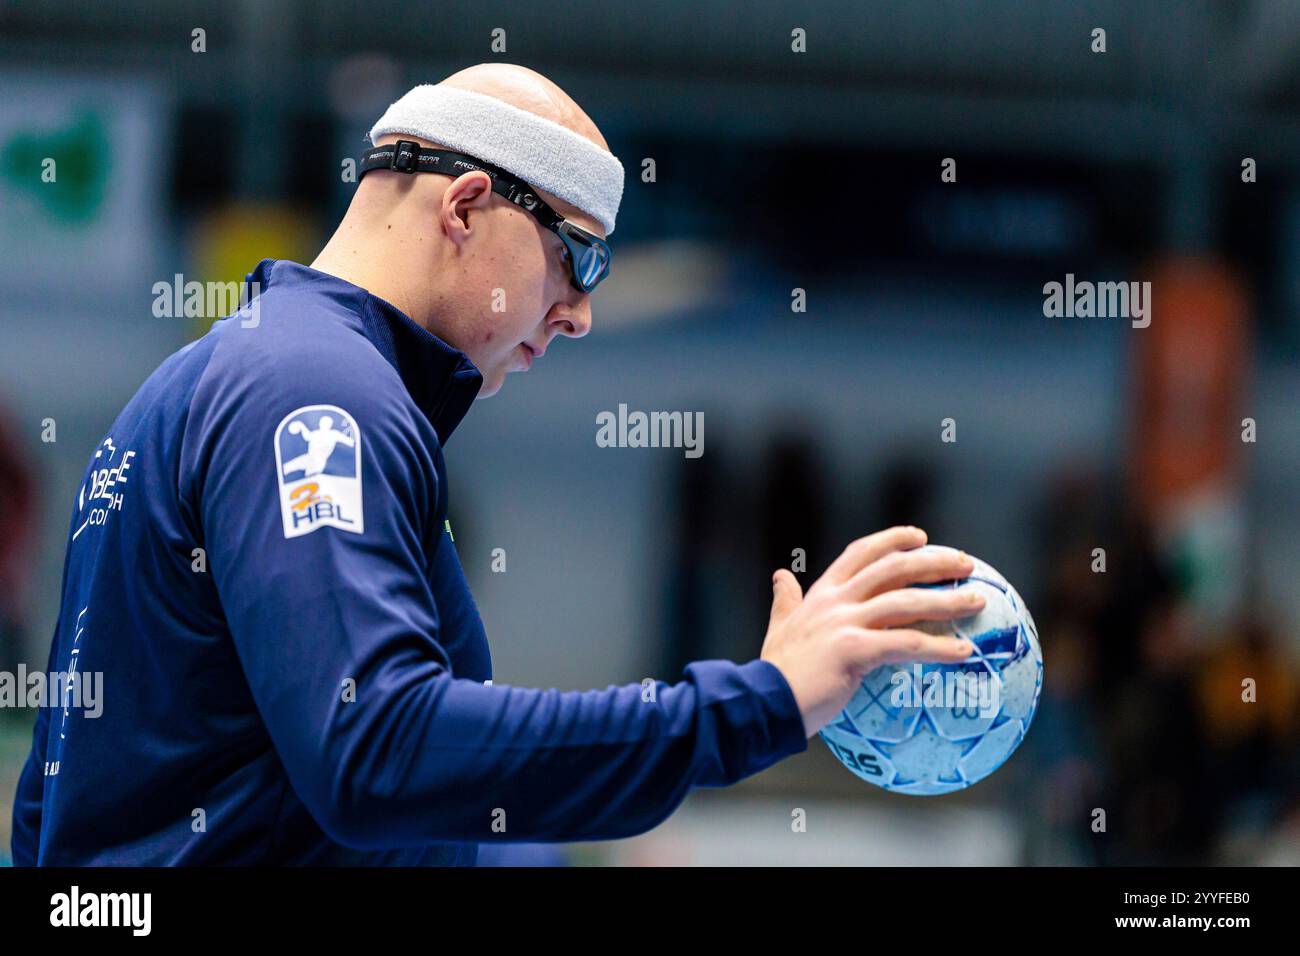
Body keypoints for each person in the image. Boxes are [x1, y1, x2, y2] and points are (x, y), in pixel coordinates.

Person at [12, 63, 979, 865]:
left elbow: (47, 804)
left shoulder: (203, 383)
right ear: (468, 207)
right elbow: (375, 750)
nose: (582, 312)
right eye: (578, 260)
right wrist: (754, 706)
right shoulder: (317, 394)